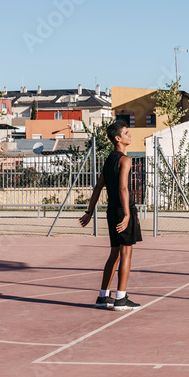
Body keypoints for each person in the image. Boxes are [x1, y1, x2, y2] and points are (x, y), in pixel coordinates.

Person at [79, 121, 142, 311]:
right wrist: (127, 215)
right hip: (123, 209)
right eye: (126, 133)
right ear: (118, 138)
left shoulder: (108, 161)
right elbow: (123, 188)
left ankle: (102, 296)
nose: (129, 135)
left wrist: (89, 212)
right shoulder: (125, 160)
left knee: (114, 252)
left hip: (110, 211)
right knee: (126, 253)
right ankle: (121, 298)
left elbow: (98, 187)